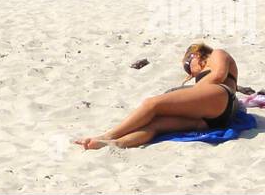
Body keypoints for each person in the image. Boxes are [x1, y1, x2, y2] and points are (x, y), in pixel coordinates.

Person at [74, 43, 240, 150]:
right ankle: (114, 144)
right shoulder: (203, 79)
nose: (189, 73)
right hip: (210, 121)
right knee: (155, 125)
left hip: (222, 97)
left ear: (196, 54)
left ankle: (107, 135)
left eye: (187, 66)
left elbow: (218, 75)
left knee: (152, 104)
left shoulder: (217, 54)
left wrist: (188, 93)